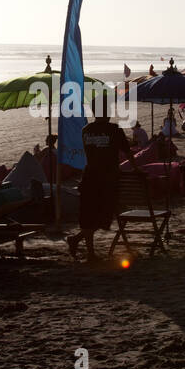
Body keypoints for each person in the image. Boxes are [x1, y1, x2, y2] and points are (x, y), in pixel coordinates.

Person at [66, 98, 139, 264]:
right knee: (104, 214)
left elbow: (93, 154)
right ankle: (87, 250)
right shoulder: (114, 129)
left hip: (90, 176)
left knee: (90, 215)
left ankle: (81, 243)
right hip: (107, 178)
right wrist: (136, 169)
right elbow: (127, 152)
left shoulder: (86, 130)